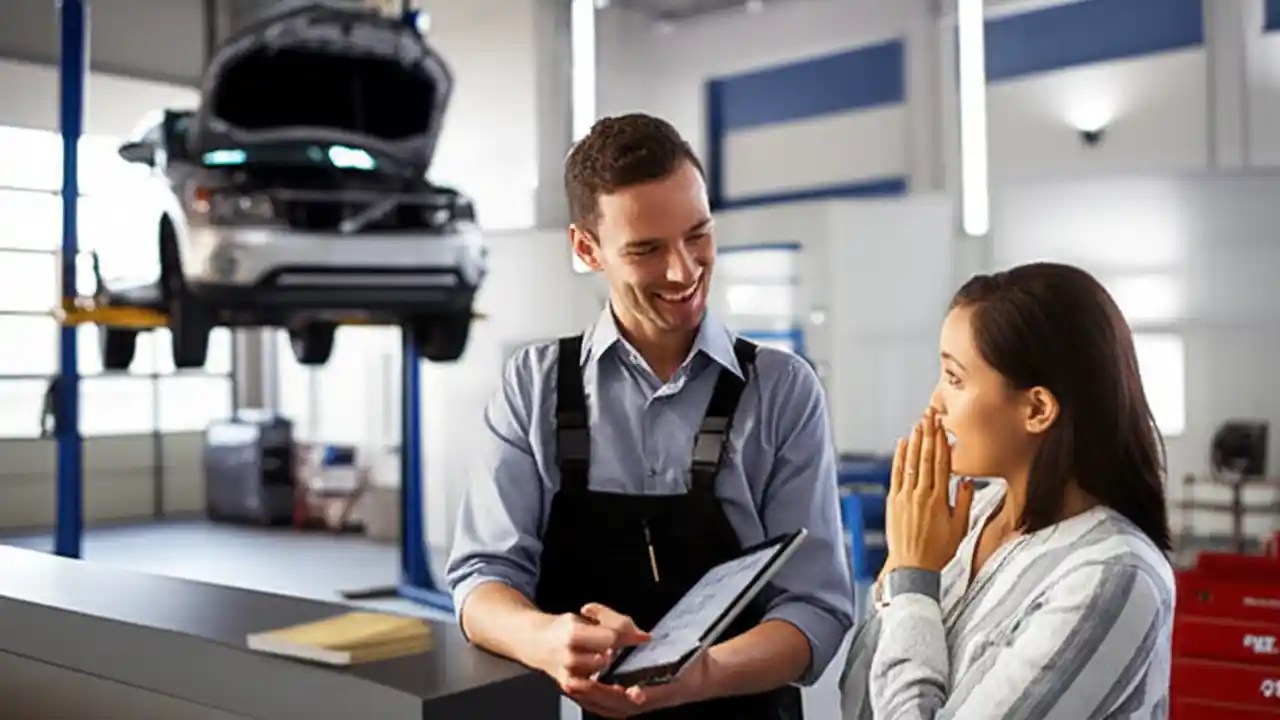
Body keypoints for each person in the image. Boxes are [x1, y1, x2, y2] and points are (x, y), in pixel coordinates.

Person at [445, 113, 854, 719]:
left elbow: (814, 609)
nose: (682, 271)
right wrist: (543, 639)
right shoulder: (533, 387)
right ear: (587, 248)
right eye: (646, 249)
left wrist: (700, 675)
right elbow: (482, 577)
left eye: (698, 235)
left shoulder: (781, 390)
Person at [840, 262, 1176, 719]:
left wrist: (915, 579)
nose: (934, 403)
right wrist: (903, 565)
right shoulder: (967, 518)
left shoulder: (1113, 575)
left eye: (955, 379)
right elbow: (860, 701)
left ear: (1037, 408)